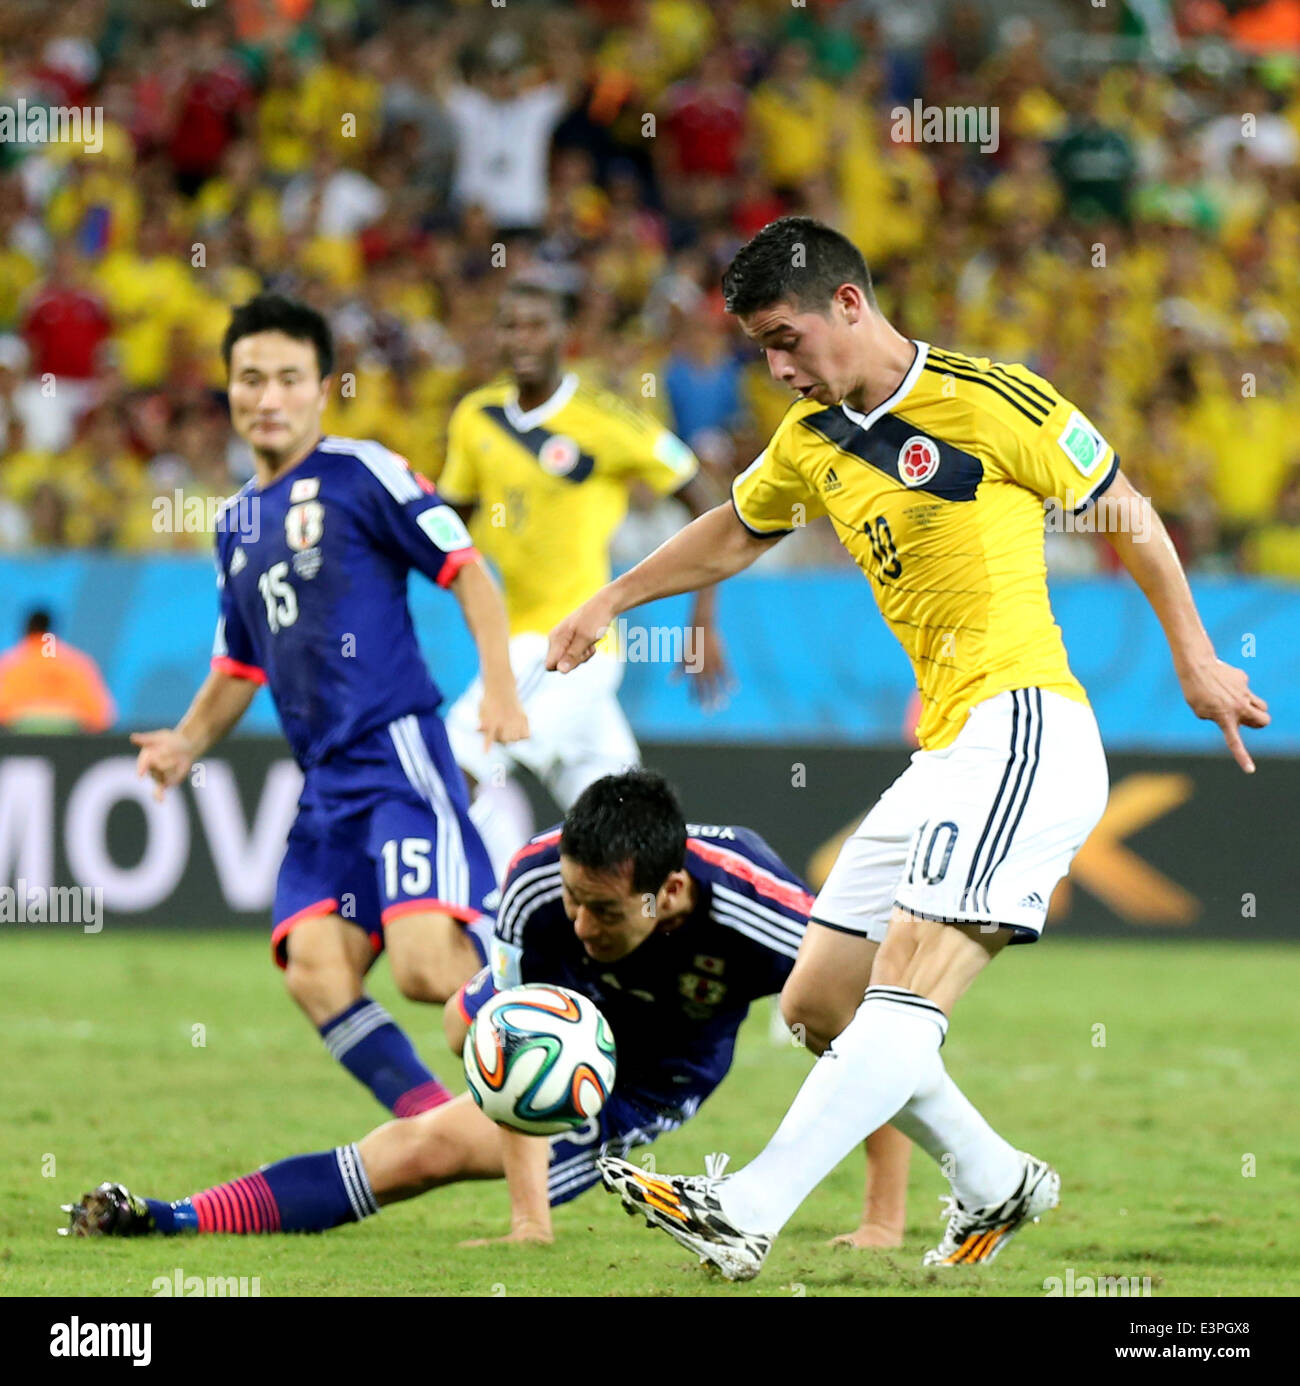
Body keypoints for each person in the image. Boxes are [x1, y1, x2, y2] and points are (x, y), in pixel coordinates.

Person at [548, 217, 1269, 1278]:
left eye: (787, 338)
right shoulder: (808, 440)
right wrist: (614, 595)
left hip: (1025, 724)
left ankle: (744, 1208)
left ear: (849, 304)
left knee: (911, 987)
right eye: (760, 350)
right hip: (944, 749)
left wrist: (1194, 657)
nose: (778, 366)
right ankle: (994, 1181)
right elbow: (738, 529)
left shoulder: (992, 399)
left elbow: (1125, 510)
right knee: (819, 1002)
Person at [61, 770, 909, 1244]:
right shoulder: (539, 885)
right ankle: (171, 1222)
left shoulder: (762, 912)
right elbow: (518, 1044)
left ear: (671, 893)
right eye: (574, 901)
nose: (578, 923)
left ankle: (170, 1221)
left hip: (656, 1072)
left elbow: (868, 1036)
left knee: (428, 1149)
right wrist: (527, 1220)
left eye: (604, 912)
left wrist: (880, 1218)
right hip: (561, 1025)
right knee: (460, 1043)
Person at [131, 293, 528, 1121]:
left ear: (322, 389)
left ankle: (546, 1005)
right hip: (324, 785)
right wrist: (184, 744)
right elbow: (240, 664)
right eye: (250, 380)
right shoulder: (237, 521)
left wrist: (498, 687)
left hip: (395, 756)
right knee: (314, 971)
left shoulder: (359, 473)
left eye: (286, 379)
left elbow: (468, 569)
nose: (267, 397)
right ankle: (432, 1130)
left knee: (426, 969)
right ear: (230, 390)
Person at [437, 278, 730, 878]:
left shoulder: (606, 417)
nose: (522, 338)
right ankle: (665, 933)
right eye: (511, 325)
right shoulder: (476, 418)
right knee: (625, 838)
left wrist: (702, 618)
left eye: (536, 325)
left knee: (453, 771)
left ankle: (460, 921)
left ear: (564, 336)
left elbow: (711, 506)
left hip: (573, 644)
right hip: (521, 643)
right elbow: (448, 526)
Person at [0, 609, 116, 732]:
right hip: (72, 744)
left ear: (26, 630)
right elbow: (101, 716)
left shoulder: (10, 663)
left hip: (18, 745)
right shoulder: (77, 662)